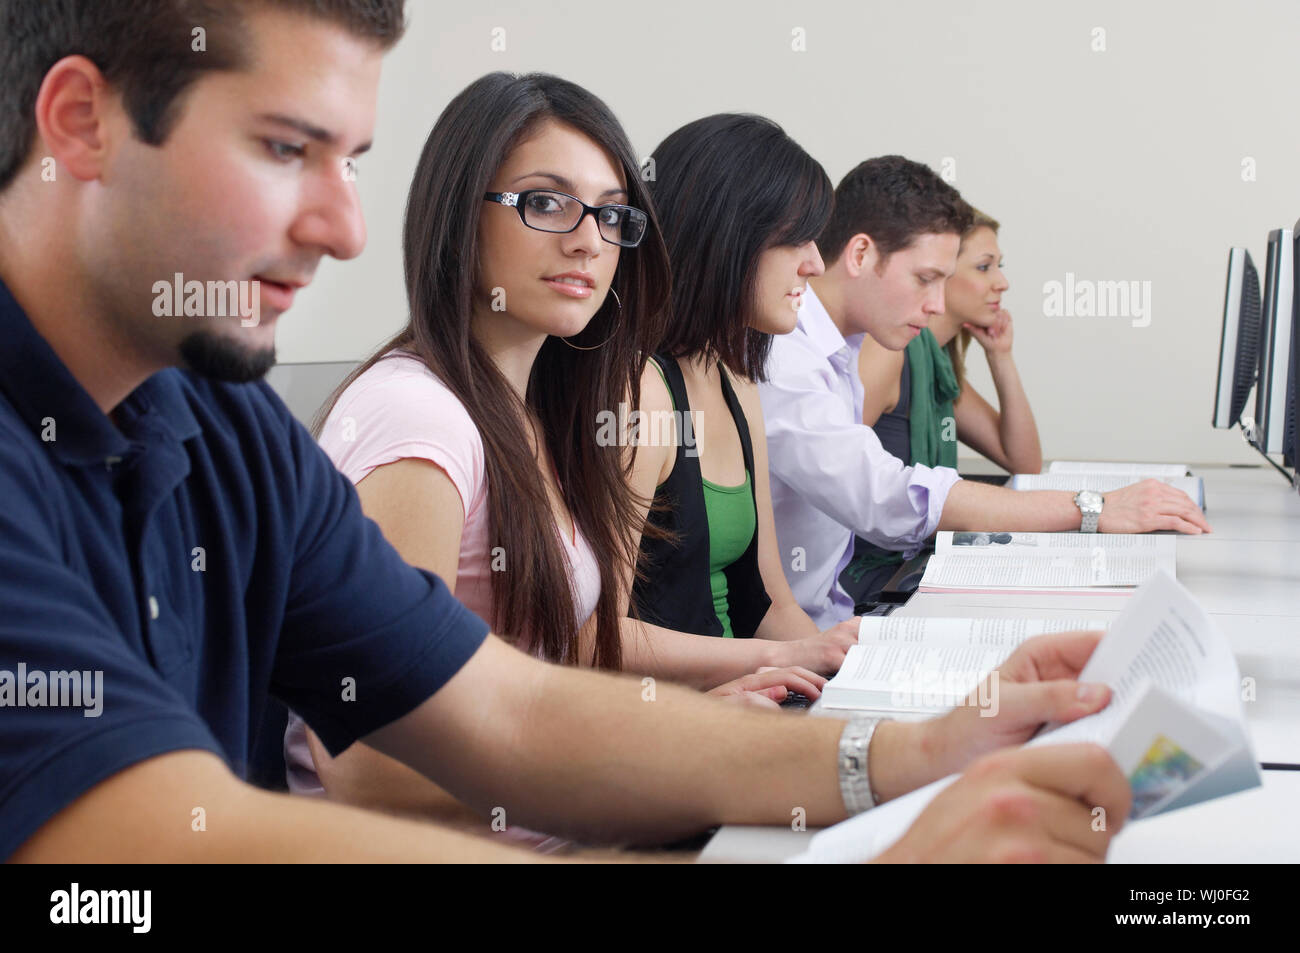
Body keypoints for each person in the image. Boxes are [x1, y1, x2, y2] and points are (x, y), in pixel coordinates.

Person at [1, 0, 1132, 863]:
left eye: (349, 162)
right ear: (80, 125)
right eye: (284, 149)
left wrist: (906, 754)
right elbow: (143, 837)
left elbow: (506, 703)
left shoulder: (220, 418)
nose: (344, 227)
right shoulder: (397, 415)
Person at [285, 75, 844, 810]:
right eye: (545, 202)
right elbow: (364, 762)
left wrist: (689, 716)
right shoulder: (417, 417)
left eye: (612, 215)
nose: (588, 240)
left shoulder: (546, 408)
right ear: (459, 213)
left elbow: (558, 663)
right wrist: (670, 742)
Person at [760, 155, 1212, 625]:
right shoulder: (791, 358)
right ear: (859, 255)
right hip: (807, 636)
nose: (936, 304)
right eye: (925, 279)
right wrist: (1091, 508)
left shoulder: (842, 351)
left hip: (824, 625)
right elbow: (883, 496)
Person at [629, 113, 851, 651]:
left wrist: (837, 668)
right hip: (679, 714)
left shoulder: (737, 381)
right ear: (727, 238)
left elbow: (770, 599)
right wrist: (775, 662)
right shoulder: (640, 394)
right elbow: (599, 637)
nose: (816, 264)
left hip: (750, 689)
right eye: (797, 240)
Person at [844, 206, 1042, 602]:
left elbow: (1024, 462)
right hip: (868, 580)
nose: (1002, 282)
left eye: (1000, 267)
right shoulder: (889, 354)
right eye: (985, 267)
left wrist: (1000, 356)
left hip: (909, 565)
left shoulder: (936, 365)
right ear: (943, 271)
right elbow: (838, 474)